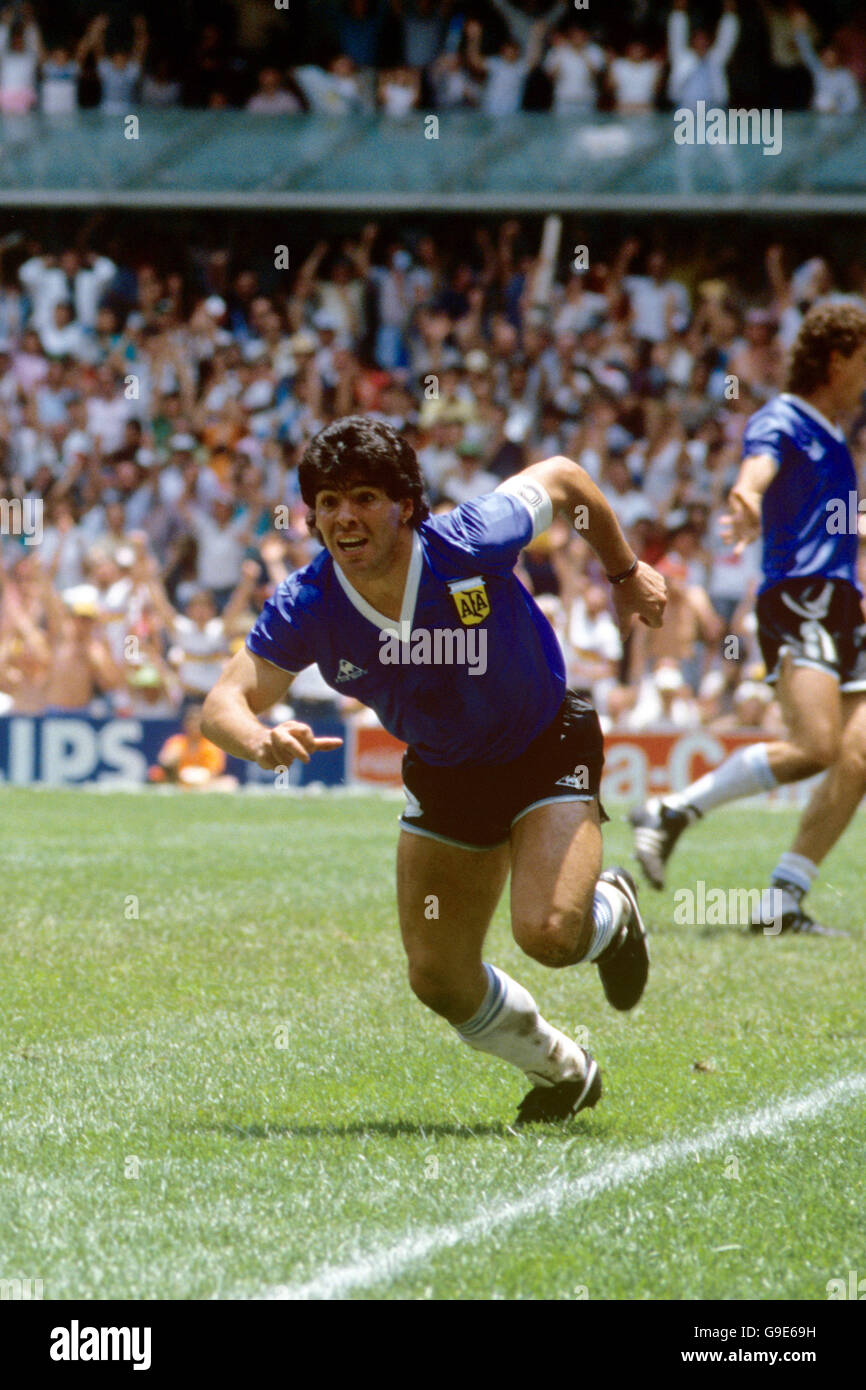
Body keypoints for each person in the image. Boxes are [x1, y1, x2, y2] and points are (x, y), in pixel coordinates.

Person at [202, 417, 666, 1125]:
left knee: (549, 935)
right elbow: (222, 704)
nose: (343, 517)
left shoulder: (471, 539)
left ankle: (614, 913)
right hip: (447, 775)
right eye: (327, 502)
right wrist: (260, 740)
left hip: (546, 743)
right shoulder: (310, 603)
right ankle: (563, 1072)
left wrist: (625, 573)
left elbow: (568, 478)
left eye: (362, 497)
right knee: (438, 978)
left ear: (405, 506)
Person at [630, 301, 866, 936]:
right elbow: (755, 469)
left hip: (844, 605)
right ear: (839, 358)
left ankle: (782, 902)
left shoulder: (837, 434)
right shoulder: (784, 417)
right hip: (800, 598)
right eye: (865, 360)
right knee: (816, 746)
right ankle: (671, 809)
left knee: (859, 755)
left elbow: (832, 522)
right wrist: (747, 495)